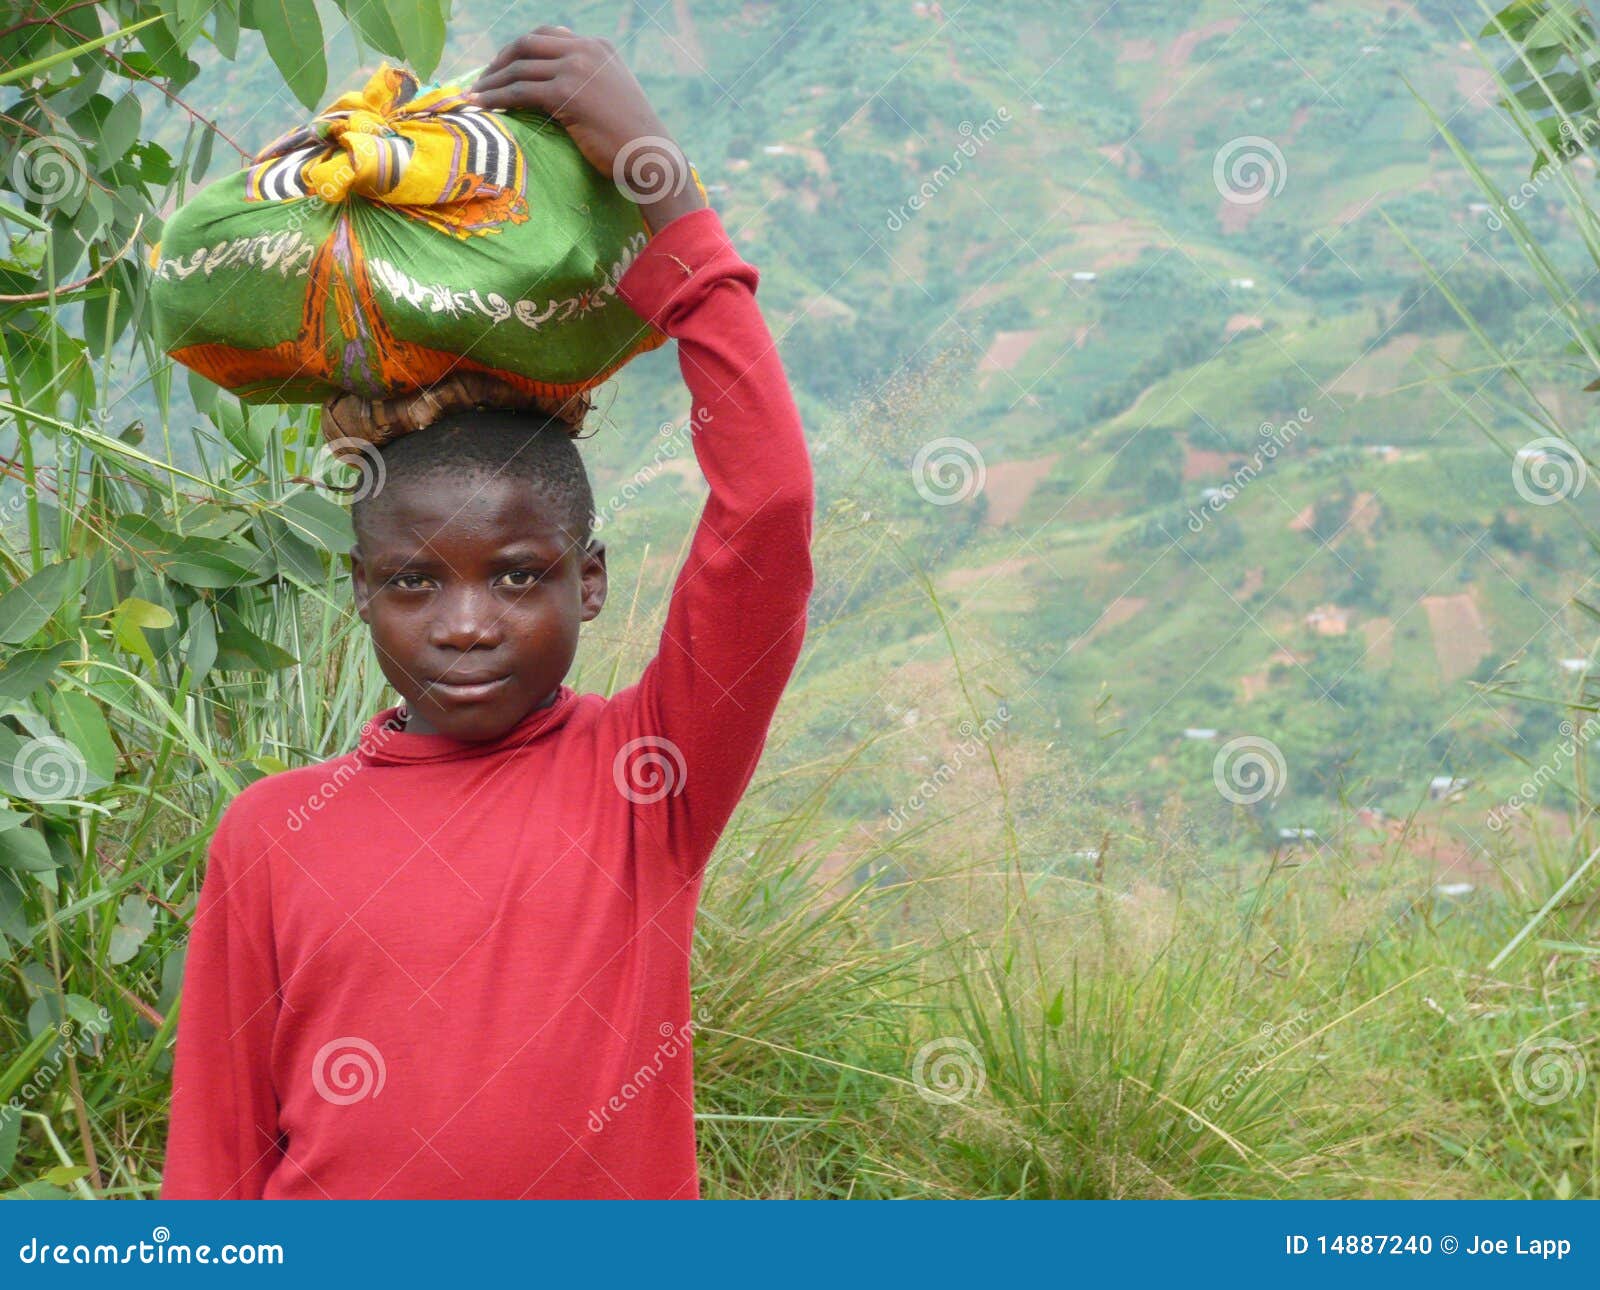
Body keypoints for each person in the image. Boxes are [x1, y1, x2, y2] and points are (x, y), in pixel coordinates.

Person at [158, 27, 815, 1199]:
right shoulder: (269, 834)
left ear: (589, 581)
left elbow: (765, 509)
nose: (466, 624)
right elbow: (214, 1161)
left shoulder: (647, 779)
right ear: (361, 591)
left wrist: (659, 178)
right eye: (415, 582)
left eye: (517, 574)